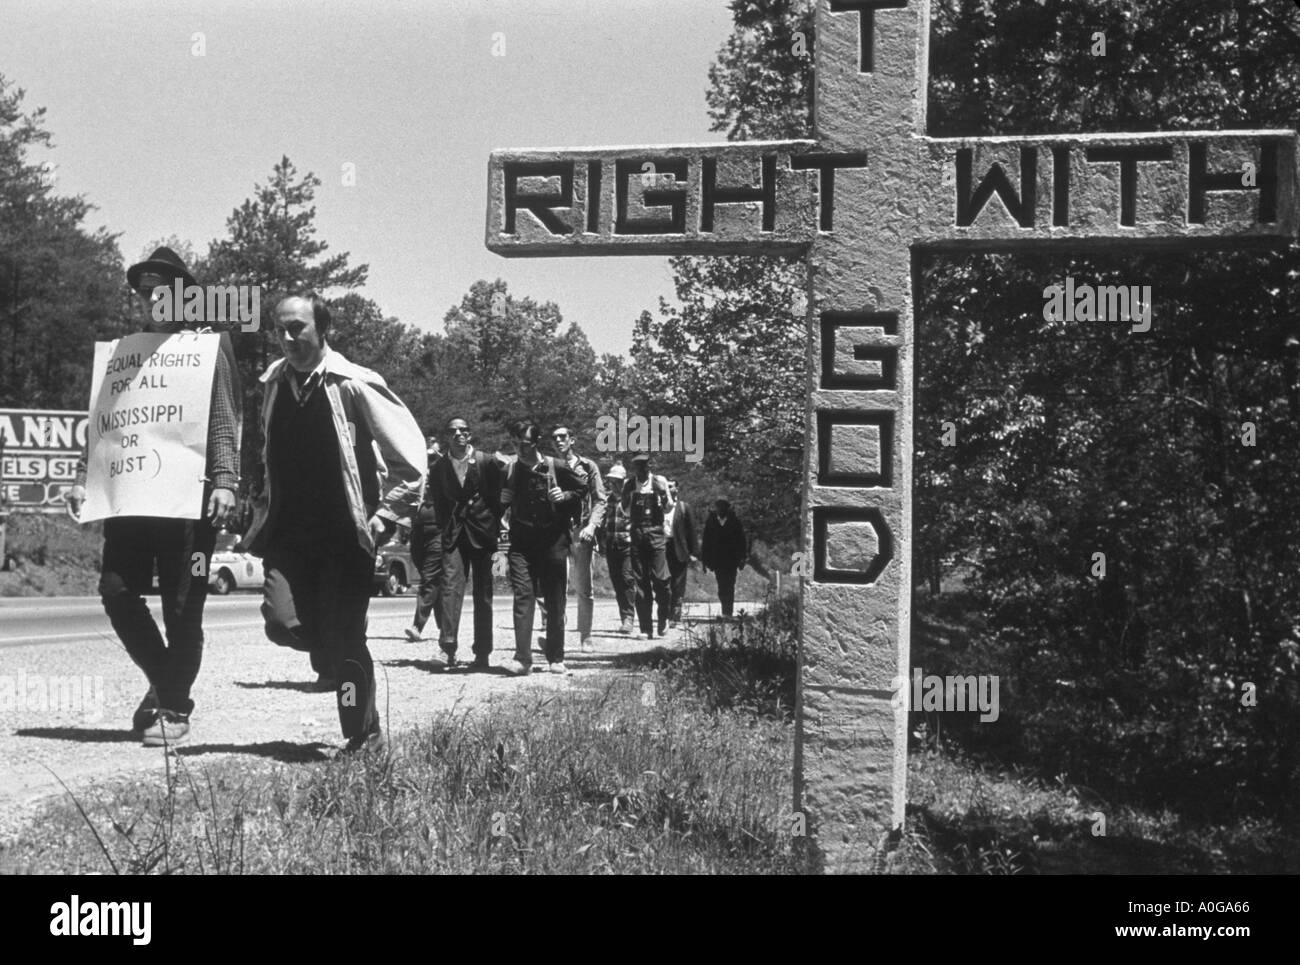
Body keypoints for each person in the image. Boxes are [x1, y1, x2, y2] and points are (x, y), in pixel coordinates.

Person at [67, 246, 240, 747]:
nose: (152, 298)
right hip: (134, 498)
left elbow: (225, 421)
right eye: (145, 292)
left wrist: (226, 480)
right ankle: (168, 681)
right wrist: (85, 477)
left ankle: (172, 706)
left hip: (191, 503)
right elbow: (105, 428)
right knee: (116, 591)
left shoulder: (208, 345)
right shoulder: (126, 353)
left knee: (183, 607)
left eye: (162, 289)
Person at [245, 294, 425, 754]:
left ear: (321, 329)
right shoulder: (273, 383)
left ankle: (363, 735)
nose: (288, 338)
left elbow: (410, 461)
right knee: (282, 622)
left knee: (347, 643)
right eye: (281, 329)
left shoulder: (354, 384)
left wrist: (386, 515)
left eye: (298, 329)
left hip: (345, 537)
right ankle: (329, 648)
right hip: (288, 533)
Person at [499, 420, 586, 675]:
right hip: (521, 543)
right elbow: (495, 503)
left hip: (553, 541)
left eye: (524, 444)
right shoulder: (509, 470)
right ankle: (522, 659)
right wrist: (501, 500)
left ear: (535, 443)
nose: (519, 448)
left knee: (555, 600)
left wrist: (564, 496)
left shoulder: (556, 466)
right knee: (523, 596)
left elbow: (582, 488)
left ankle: (556, 657)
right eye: (515, 443)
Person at [426, 417, 504, 669]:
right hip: (454, 535)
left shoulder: (486, 461)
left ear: (470, 435)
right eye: (453, 431)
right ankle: (447, 647)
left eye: (463, 430)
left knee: (483, 594)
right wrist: (444, 529)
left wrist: (495, 521)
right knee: (450, 587)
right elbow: (438, 502)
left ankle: (482, 652)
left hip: (484, 535)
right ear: (447, 436)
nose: (459, 434)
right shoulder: (438, 468)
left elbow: (501, 494)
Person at [549, 424, 606, 653]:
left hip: (582, 531)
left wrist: (592, 526)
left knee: (584, 587)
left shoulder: (588, 466)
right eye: (554, 438)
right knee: (556, 587)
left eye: (563, 436)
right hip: (557, 532)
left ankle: (586, 636)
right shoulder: (549, 466)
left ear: (572, 439)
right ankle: (557, 637)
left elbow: (600, 499)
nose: (558, 440)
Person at [627, 452, 671, 639]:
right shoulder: (629, 484)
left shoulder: (659, 481)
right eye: (638, 467)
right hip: (637, 534)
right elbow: (625, 509)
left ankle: (663, 619)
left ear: (649, 467)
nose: (641, 471)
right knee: (640, 583)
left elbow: (669, 508)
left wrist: (662, 494)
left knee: (661, 580)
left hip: (656, 534)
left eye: (644, 467)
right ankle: (646, 628)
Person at [405, 437, 445, 645]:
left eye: (433, 458)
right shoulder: (417, 477)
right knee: (432, 581)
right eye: (426, 459)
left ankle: (417, 626)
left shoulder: (445, 475)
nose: (430, 463)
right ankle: (444, 627)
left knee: (429, 578)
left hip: (438, 533)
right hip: (418, 532)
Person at [599, 462, 635, 634]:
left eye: (617, 481)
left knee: (627, 578)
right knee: (617, 582)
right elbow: (601, 522)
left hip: (628, 545)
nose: (613, 484)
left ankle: (630, 617)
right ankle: (624, 618)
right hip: (611, 545)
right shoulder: (606, 501)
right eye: (611, 481)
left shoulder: (630, 499)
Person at [701, 498, 748, 618]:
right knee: (721, 585)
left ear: (727, 508)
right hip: (717, 560)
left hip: (731, 560)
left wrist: (742, 558)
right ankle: (724, 608)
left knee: (730, 584)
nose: (720, 509)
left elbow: (742, 541)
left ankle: (728, 612)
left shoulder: (734, 521)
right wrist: (705, 561)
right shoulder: (711, 522)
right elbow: (706, 541)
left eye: (723, 507)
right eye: (718, 507)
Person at [664, 479, 699, 628]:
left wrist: (694, 553)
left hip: (678, 547)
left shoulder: (684, 508)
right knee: (662, 582)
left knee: (678, 582)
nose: (668, 488)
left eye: (670, 486)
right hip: (661, 548)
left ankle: (675, 615)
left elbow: (691, 532)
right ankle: (664, 614)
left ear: (676, 489)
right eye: (666, 486)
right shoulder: (658, 506)